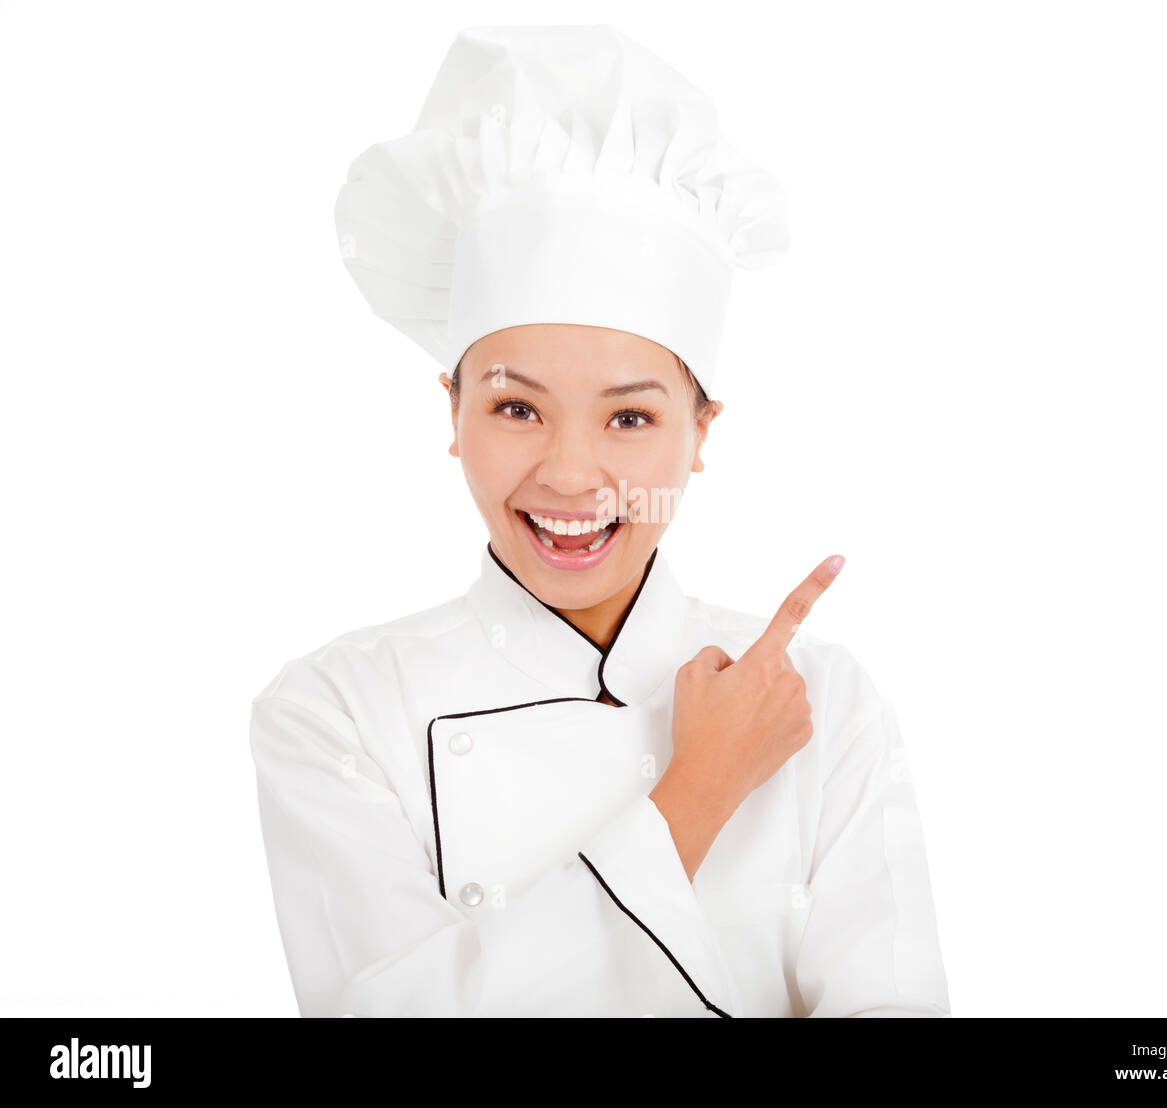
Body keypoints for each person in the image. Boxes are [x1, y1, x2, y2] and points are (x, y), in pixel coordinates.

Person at [250, 24, 951, 1018]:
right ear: (451, 410)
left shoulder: (817, 703)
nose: (571, 475)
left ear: (700, 430)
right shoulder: (335, 714)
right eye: (516, 406)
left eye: (629, 416)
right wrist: (697, 792)